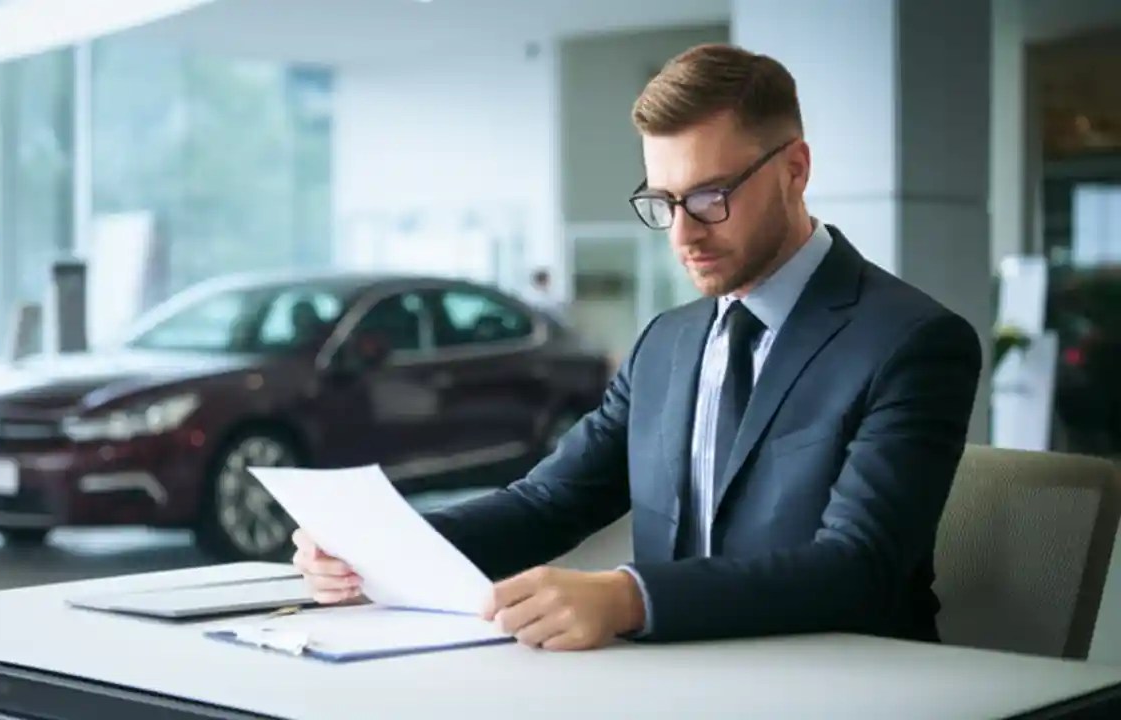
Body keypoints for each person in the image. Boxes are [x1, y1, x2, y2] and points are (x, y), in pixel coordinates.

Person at [293, 43, 981, 651]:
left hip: (845, 688)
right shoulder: (667, 343)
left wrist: (628, 598)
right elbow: (548, 504)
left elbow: (858, 568)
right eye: (663, 202)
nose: (682, 236)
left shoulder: (912, 343)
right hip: (672, 686)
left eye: (712, 197)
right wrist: (381, 552)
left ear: (795, 170)